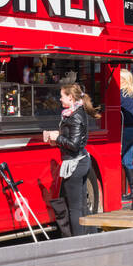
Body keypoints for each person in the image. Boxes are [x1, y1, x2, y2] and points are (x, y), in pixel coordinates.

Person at [43, 83, 96, 236]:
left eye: (62, 96)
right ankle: (91, 237)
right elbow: (73, 140)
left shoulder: (76, 115)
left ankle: (77, 242)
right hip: (80, 161)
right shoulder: (73, 113)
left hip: (75, 164)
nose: (60, 99)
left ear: (71, 98)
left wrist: (57, 137)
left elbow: (74, 144)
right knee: (82, 206)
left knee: (74, 208)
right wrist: (57, 139)